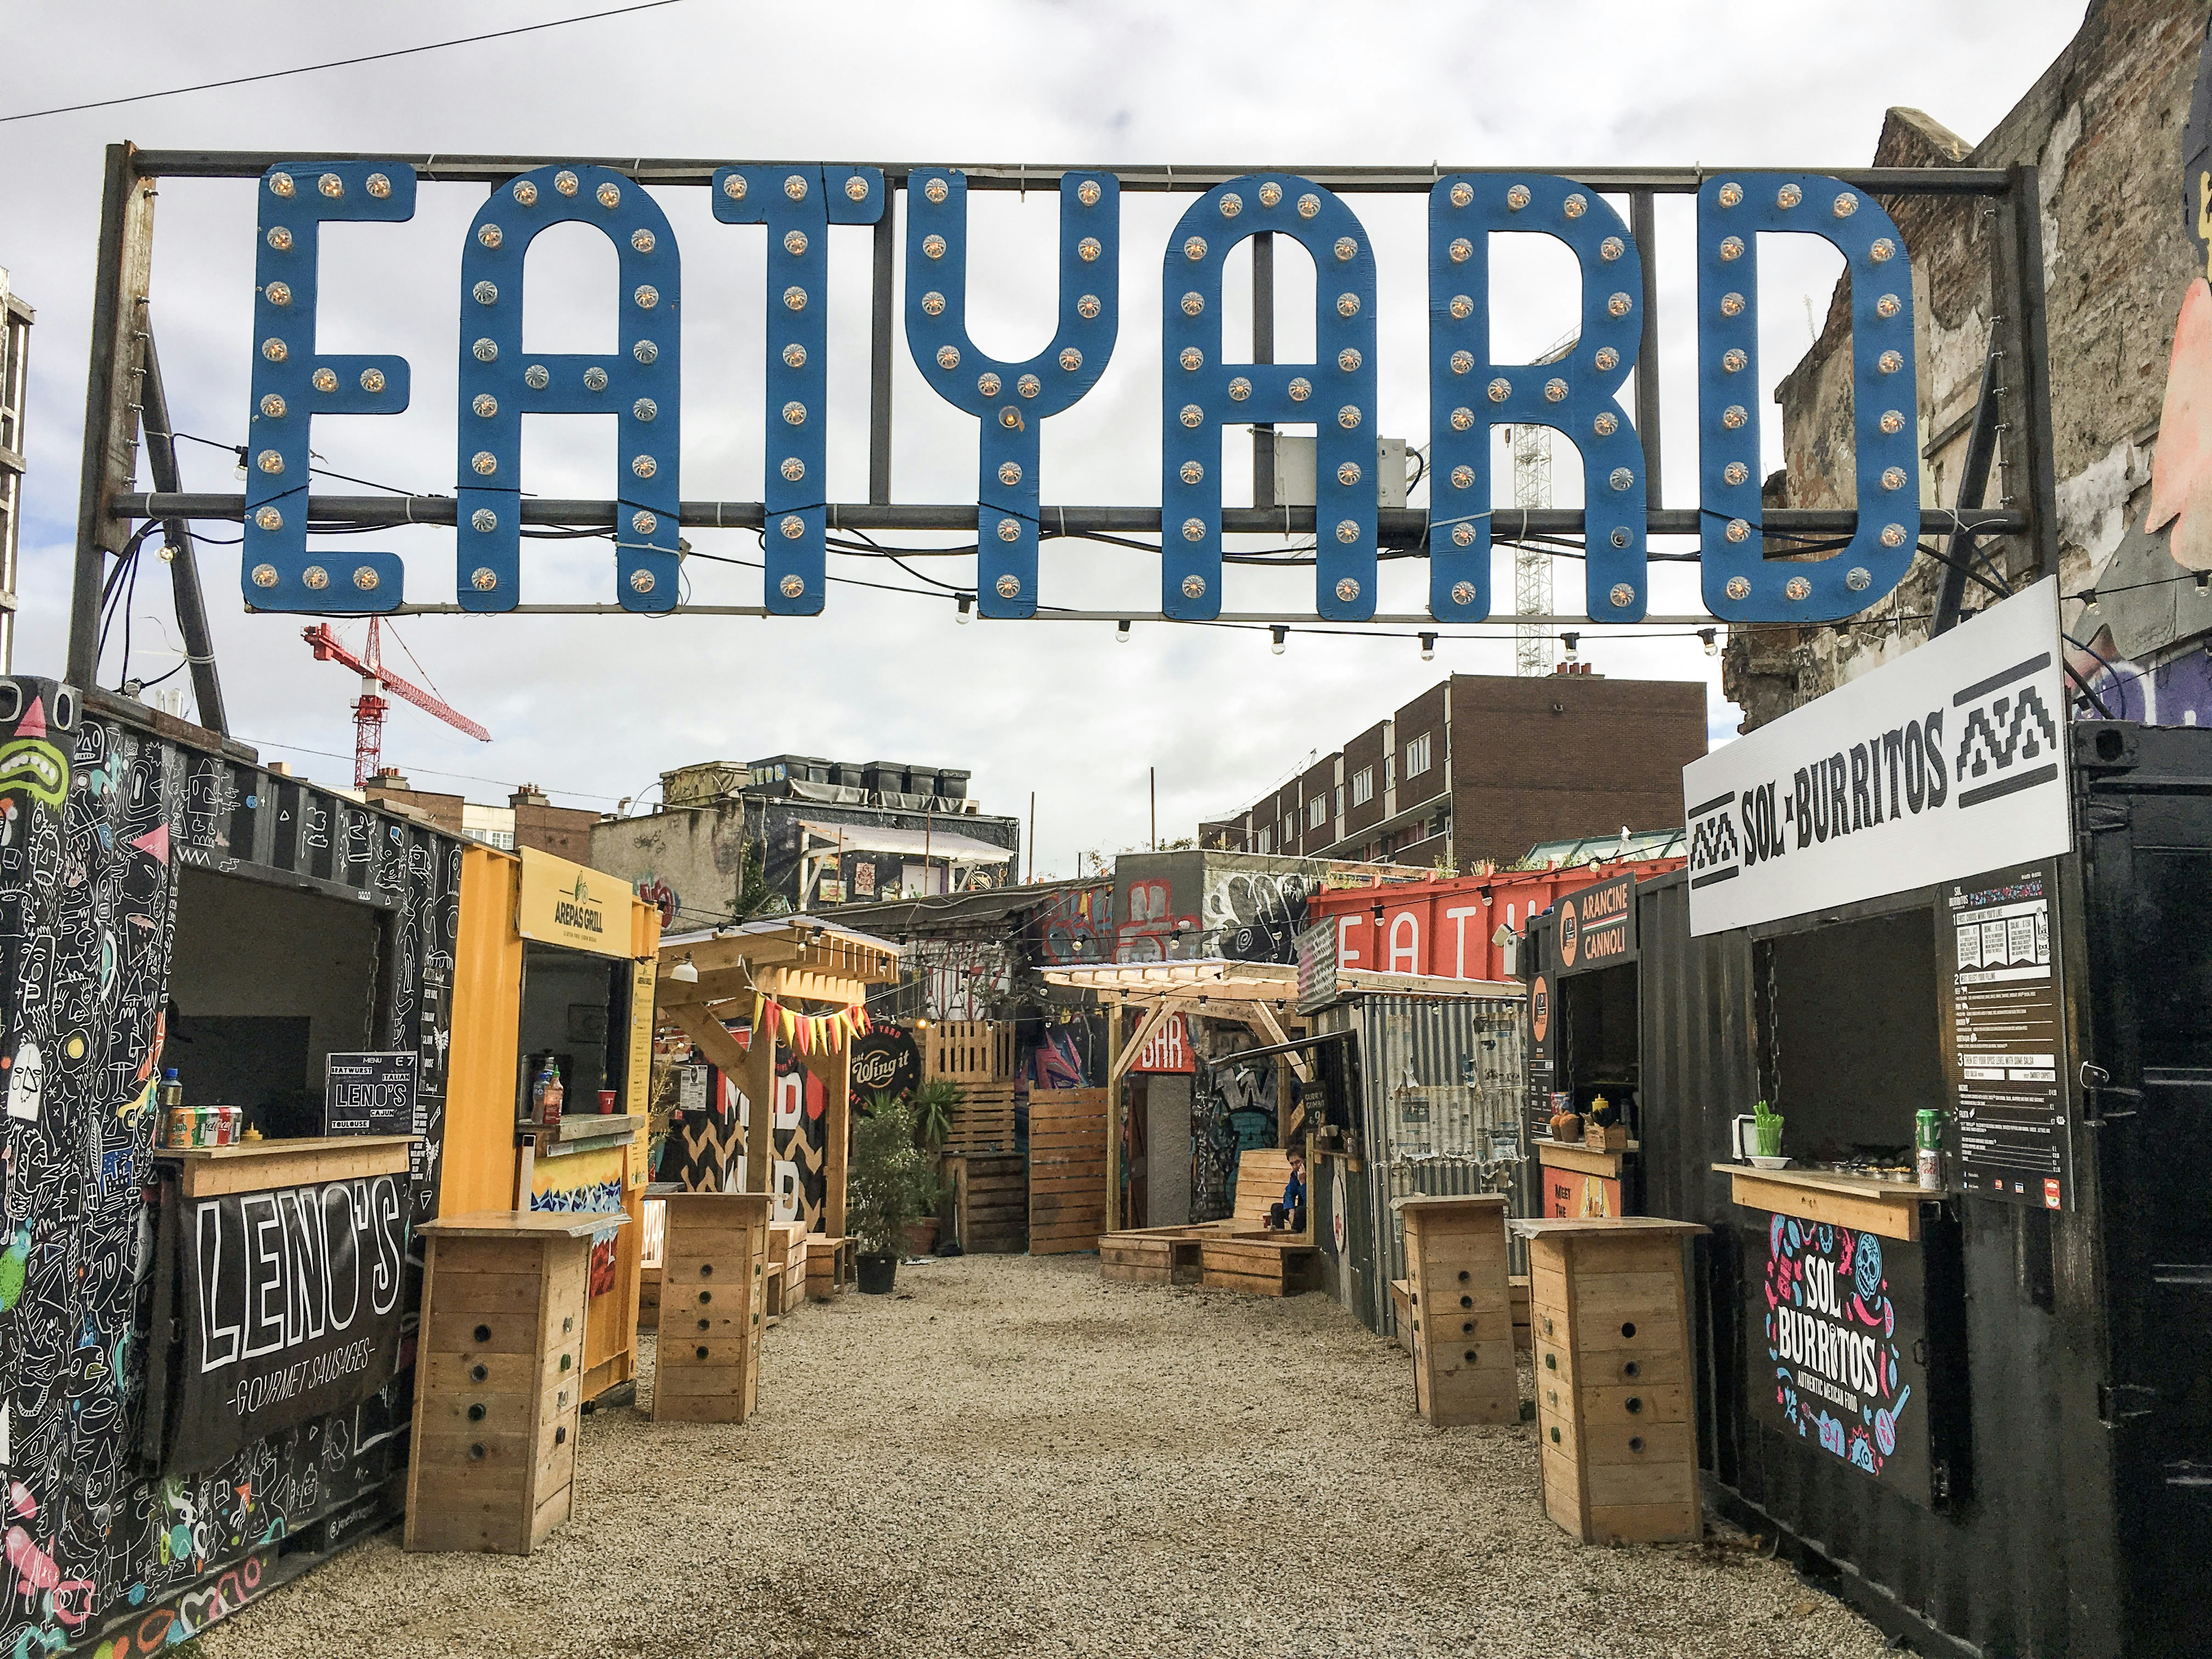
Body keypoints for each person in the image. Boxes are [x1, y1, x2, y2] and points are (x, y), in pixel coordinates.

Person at [1268, 1148, 1307, 1232]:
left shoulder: (1314, 1174)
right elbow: (1289, 1193)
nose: (1295, 1167)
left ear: (1305, 1160)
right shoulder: (1295, 1175)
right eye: (1292, 1164)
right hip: (1297, 1212)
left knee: (1300, 1211)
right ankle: (1279, 1234)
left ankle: (1296, 1234)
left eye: (1298, 1162)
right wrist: (1290, 1209)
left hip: (1309, 1212)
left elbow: (1310, 1201)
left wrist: (1303, 1183)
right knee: (1276, 1208)